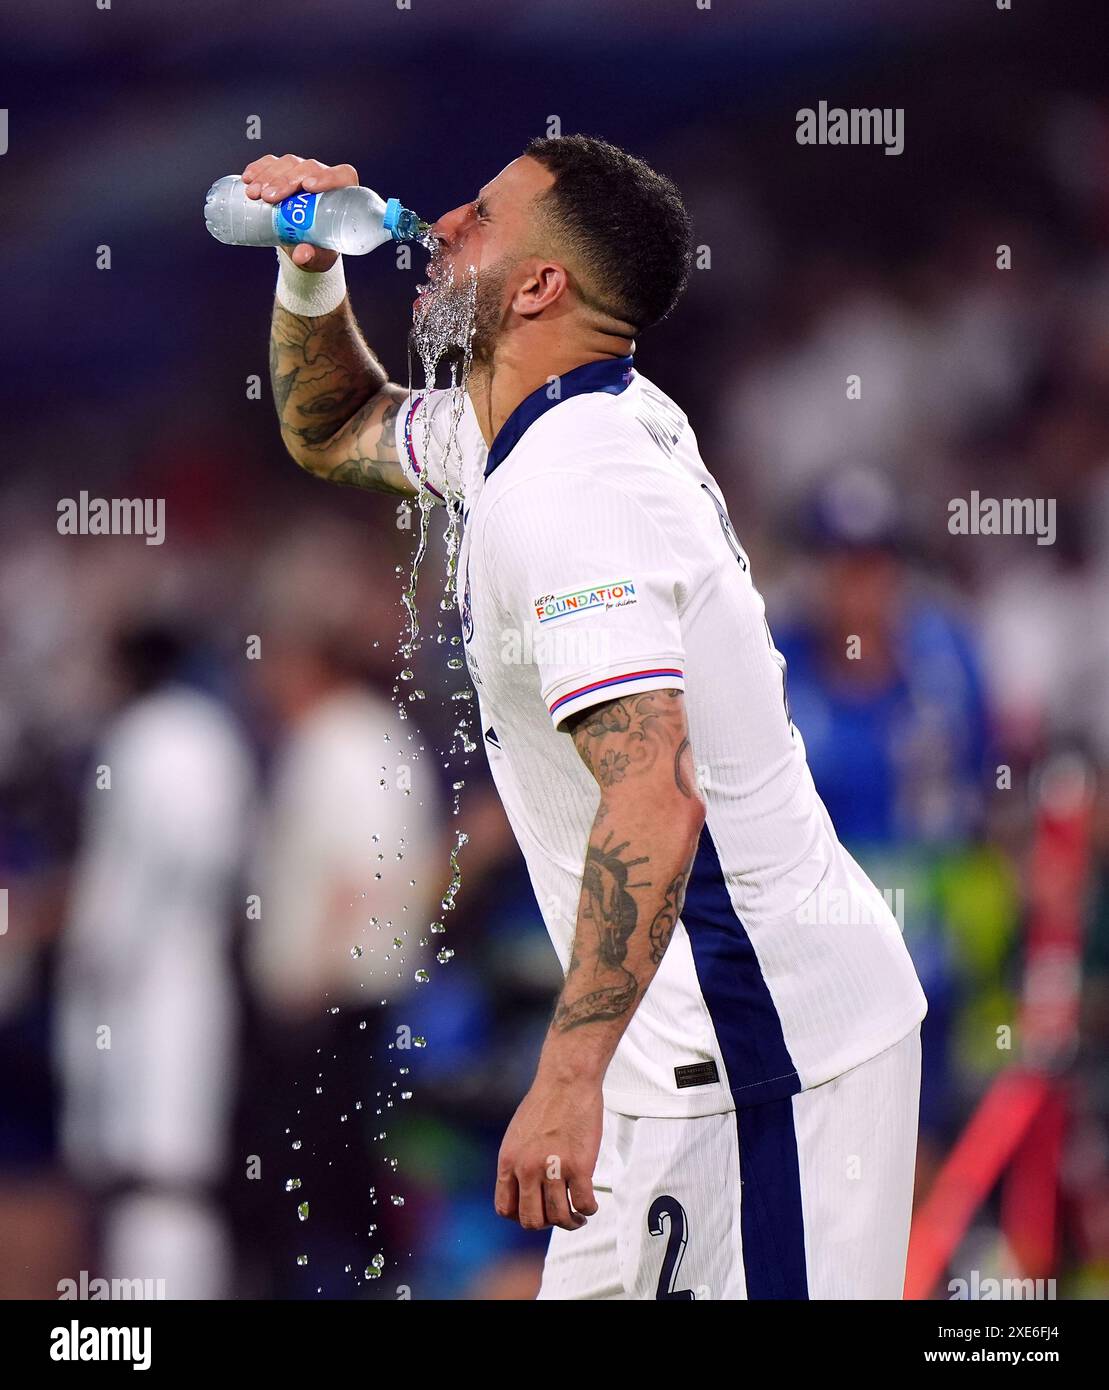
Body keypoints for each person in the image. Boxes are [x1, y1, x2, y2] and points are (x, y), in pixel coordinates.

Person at [249, 134, 927, 1300]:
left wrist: (562, 1078)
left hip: (759, 1068)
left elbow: (652, 796)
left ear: (538, 287)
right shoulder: (528, 427)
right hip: (662, 1065)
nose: (444, 217)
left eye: (482, 210)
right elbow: (334, 425)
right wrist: (311, 265)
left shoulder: (578, 490)